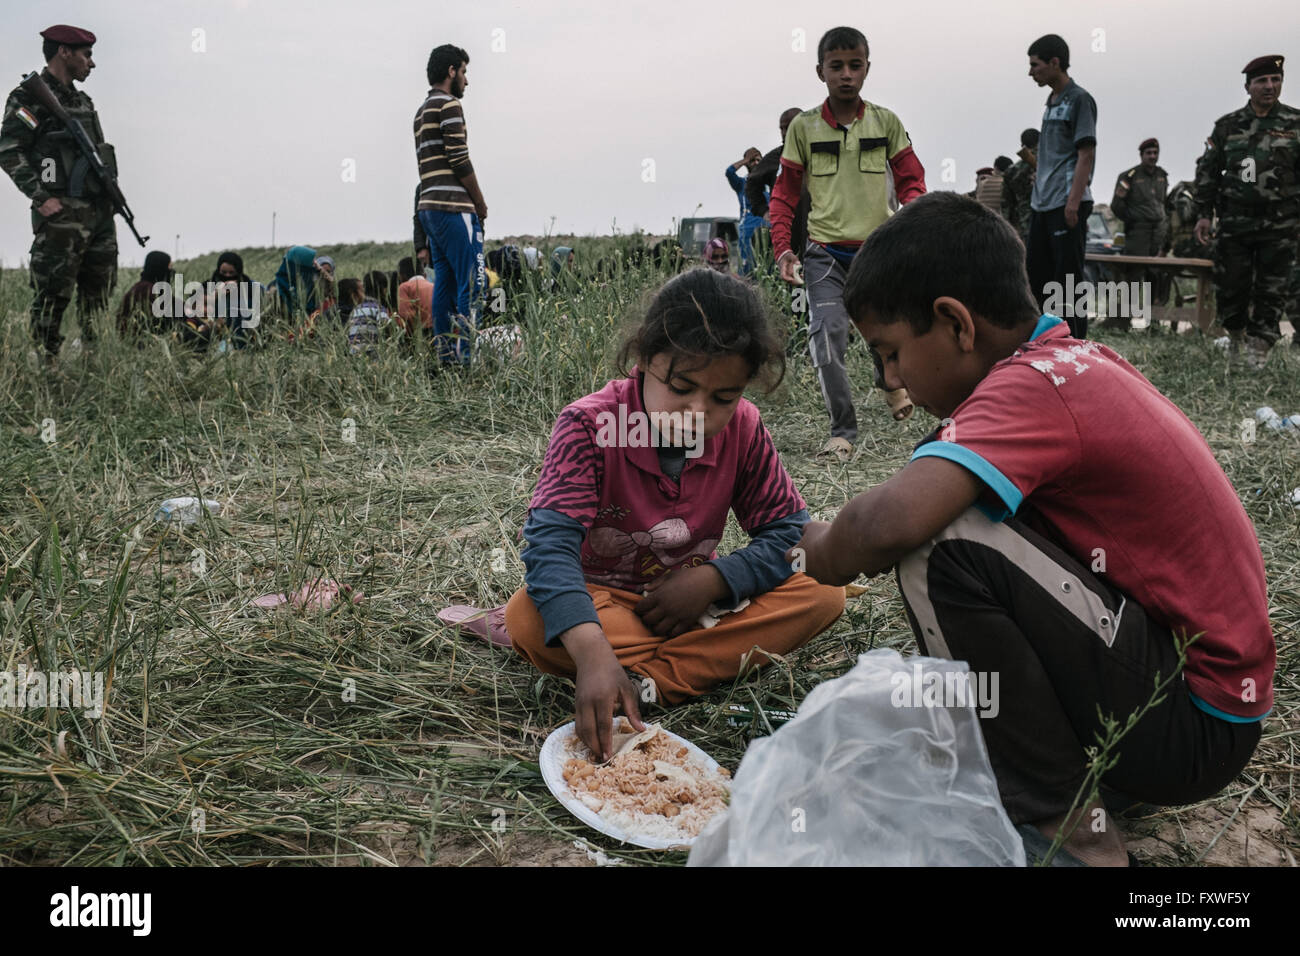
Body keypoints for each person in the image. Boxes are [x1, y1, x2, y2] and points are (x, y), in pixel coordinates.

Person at [790, 192, 1274, 867]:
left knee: (942, 542)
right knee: (977, 511)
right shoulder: (1070, 361)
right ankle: (1073, 776)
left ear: (956, 323)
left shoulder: (1031, 388)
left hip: (1188, 724)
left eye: (891, 353)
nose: (890, 379)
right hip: (1193, 703)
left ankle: (1070, 828)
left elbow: (888, 523)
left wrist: (819, 551)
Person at [498, 268, 845, 760]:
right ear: (644, 360)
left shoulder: (743, 429)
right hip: (609, 607)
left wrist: (717, 581)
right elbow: (549, 546)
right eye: (681, 386)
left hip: (701, 607)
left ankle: (651, 684)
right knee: (528, 618)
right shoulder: (589, 425)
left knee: (824, 590)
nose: (697, 411)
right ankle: (640, 664)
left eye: (723, 397)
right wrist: (592, 649)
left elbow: (789, 530)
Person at [769, 25, 927, 461]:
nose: (845, 74)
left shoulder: (886, 122)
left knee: (888, 330)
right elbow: (784, 194)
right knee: (828, 334)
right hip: (823, 254)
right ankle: (843, 430)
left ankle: (888, 381)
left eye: (854, 66)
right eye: (835, 66)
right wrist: (784, 247)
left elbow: (913, 180)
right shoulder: (803, 129)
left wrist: (910, 221)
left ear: (866, 69)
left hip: (877, 252)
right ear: (820, 71)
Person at [0, 25, 118, 364]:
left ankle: (92, 359)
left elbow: (95, 155)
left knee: (99, 289)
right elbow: (9, 151)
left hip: (97, 213)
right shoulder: (29, 98)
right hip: (60, 215)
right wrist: (40, 197)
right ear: (64, 52)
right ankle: (46, 363)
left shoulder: (83, 102)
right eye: (86, 55)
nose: (91, 64)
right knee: (52, 292)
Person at [1193, 55, 1300, 370]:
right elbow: (1207, 173)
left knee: (1273, 287)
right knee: (1232, 286)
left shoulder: (1295, 124)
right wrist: (1202, 213)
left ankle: (1259, 351)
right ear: (1247, 86)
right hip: (1236, 225)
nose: (1270, 86)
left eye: (1275, 80)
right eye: (1262, 81)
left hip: (1282, 224)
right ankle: (1236, 338)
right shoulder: (1228, 126)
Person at [415, 43, 488, 366]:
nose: (467, 81)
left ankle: (445, 357)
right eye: (464, 72)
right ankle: (467, 358)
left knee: (444, 283)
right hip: (453, 206)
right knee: (472, 283)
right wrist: (480, 203)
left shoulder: (421, 111)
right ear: (451, 72)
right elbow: (459, 159)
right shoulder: (449, 105)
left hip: (429, 209)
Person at [1025, 33, 1097, 338]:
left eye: (1035, 65)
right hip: (1042, 203)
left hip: (1066, 203)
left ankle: (1077, 343)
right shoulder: (1050, 101)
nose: (1031, 72)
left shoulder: (1079, 99)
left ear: (1055, 63)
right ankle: (1047, 339)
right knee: (1036, 275)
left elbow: (1086, 153)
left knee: (1067, 281)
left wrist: (1073, 202)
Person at [1108, 138, 1171, 329]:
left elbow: (1164, 204)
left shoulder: (1162, 175)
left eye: (1155, 153)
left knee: (1157, 276)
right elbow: (1117, 205)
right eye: (1148, 153)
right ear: (1141, 155)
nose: (1152, 156)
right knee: (1134, 276)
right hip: (1138, 232)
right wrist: (1133, 219)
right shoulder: (1130, 176)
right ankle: (1122, 321)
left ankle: (1155, 322)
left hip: (1157, 233)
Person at [746, 108, 807, 269]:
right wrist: (763, 210)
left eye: (790, 126)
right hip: (787, 228)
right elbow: (752, 183)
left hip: (818, 227)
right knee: (793, 278)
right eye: (783, 128)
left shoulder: (817, 154)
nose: (786, 132)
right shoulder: (775, 158)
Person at [116, 250, 172, 337]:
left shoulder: (142, 287)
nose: (171, 272)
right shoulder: (150, 291)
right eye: (169, 268)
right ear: (160, 268)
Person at [269, 245, 333, 318]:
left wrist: (321, 271)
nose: (315, 268)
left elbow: (334, 291)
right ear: (300, 268)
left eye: (316, 265)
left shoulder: (311, 290)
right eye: (312, 264)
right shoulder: (276, 291)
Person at [726, 147, 762, 275]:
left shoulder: (769, 182)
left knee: (768, 266)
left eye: (758, 160)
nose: (756, 163)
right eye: (752, 161)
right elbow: (729, 172)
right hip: (747, 232)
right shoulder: (741, 184)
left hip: (767, 231)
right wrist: (744, 160)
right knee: (748, 268)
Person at [1001, 129, 1038, 244]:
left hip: (1025, 225)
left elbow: (1007, 205)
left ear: (1022, 145)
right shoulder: (1052, 162)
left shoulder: (1011, 171)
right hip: (1053, 221)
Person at [344, 272, 393, 357]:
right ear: (383, 289)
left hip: (353, 354)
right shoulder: (379, 308)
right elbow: (385, 327)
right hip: (371, 354)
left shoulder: (356, 309)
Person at [396, 255, 433, 334]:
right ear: (424, 273)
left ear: (402, 275)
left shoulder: (404, 287)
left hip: (423, 332)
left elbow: (406, 315)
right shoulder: (433, 285)